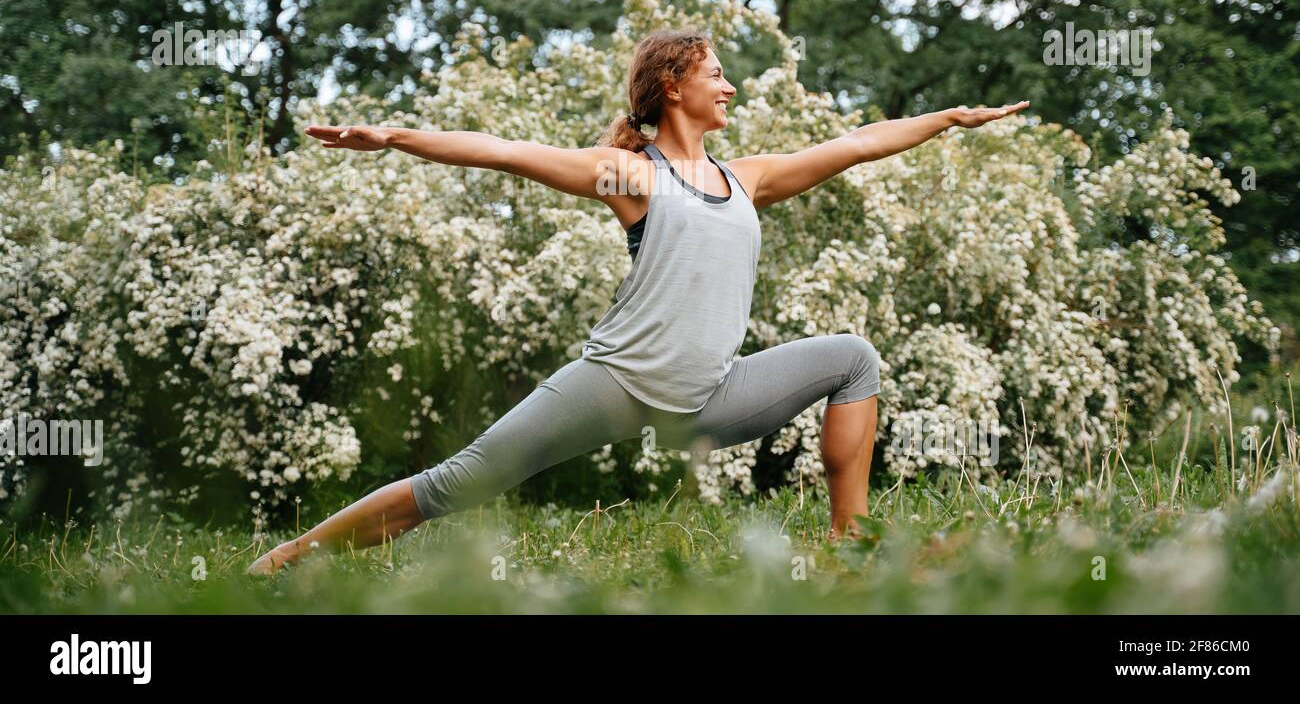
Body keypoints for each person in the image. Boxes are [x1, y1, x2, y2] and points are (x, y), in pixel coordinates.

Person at [247, 29, 1027, 573]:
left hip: (711, 397)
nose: (730, 85)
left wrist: (948, 121)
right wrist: (394, 137)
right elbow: (510, 154)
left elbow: (855, 144)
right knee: (462, 482)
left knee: (854, 360)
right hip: (616, 383)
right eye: (715, 72)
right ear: (672, 86)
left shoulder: (745, 179)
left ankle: (849, 539)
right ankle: (285, 560)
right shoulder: (635, 177)